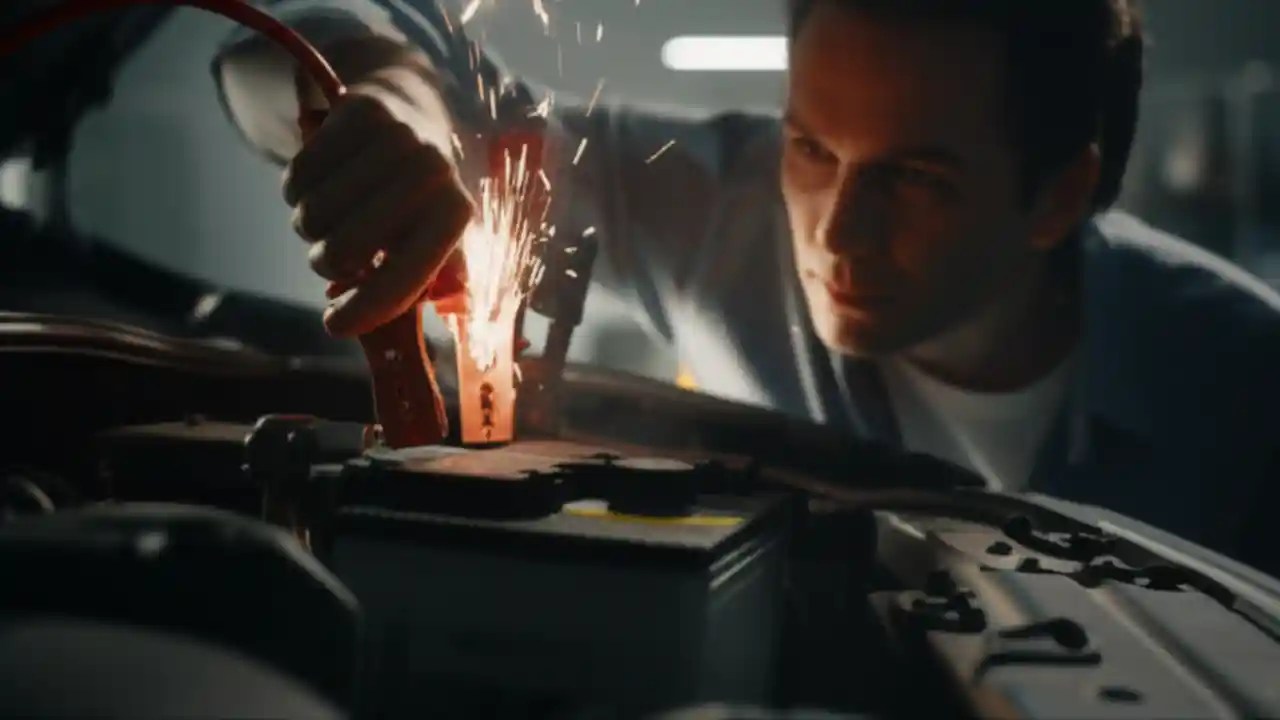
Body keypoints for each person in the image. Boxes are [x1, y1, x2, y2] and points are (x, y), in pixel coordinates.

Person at [214, 0, 1280, 574]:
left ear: (1060, 194)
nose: (835, 232)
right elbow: (321, 47)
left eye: (916, 180)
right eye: (810, 148)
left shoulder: (1246, 385)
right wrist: (396, 112)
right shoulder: (718, 205)